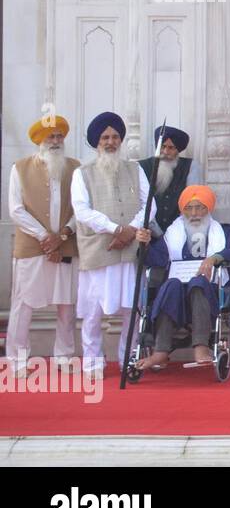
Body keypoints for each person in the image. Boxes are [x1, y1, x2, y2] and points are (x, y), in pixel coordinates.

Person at [72, 112, 153, 374]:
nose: (110, 142)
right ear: (97, 141)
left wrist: (130, 230)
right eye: (105, 137)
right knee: (93, 311)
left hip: (129, 251)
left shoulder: (135, 168)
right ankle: (93, 362)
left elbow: (147, 205)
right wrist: (116, 229)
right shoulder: (81, 173)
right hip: (99, 250)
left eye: (115, 136)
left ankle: (128, 358)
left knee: (132, 308)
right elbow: (82, 212)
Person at [137, 185, 230, 369]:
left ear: (208, 208)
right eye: (189, 208)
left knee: (198, 283)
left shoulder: (226, 231)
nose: (194, 213)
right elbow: (156, 259)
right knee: (170, 285)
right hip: (177, 292)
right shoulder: (172, 233)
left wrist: (214, 258)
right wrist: (145, 245)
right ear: (182, 210)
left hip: (210, 290)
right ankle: (161, 350)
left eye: (199, 207)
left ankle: (201, 346)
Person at [6, 116, 79, 374]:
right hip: (32, 246)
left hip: (66, 245)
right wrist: (44, 236)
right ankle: (17, 361)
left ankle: (64, 356)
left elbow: (80, 208)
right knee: (23, 303)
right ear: (39, 140)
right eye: (51, 136)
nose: (56, 141)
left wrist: (62, 235)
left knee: (66, 304)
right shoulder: (20, 168)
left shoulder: (75, 168)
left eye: (60, 136)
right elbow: (15, 210)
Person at [138, 125, 199, 236]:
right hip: (148, 236)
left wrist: (174, 234)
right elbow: (141, 204)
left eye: (171, 148)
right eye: (163, 146)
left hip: (180, 234)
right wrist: (158, 234)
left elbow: (192, 203)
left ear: (178, 150)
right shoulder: (142, 166)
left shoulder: (190, 166)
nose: (165, 151)